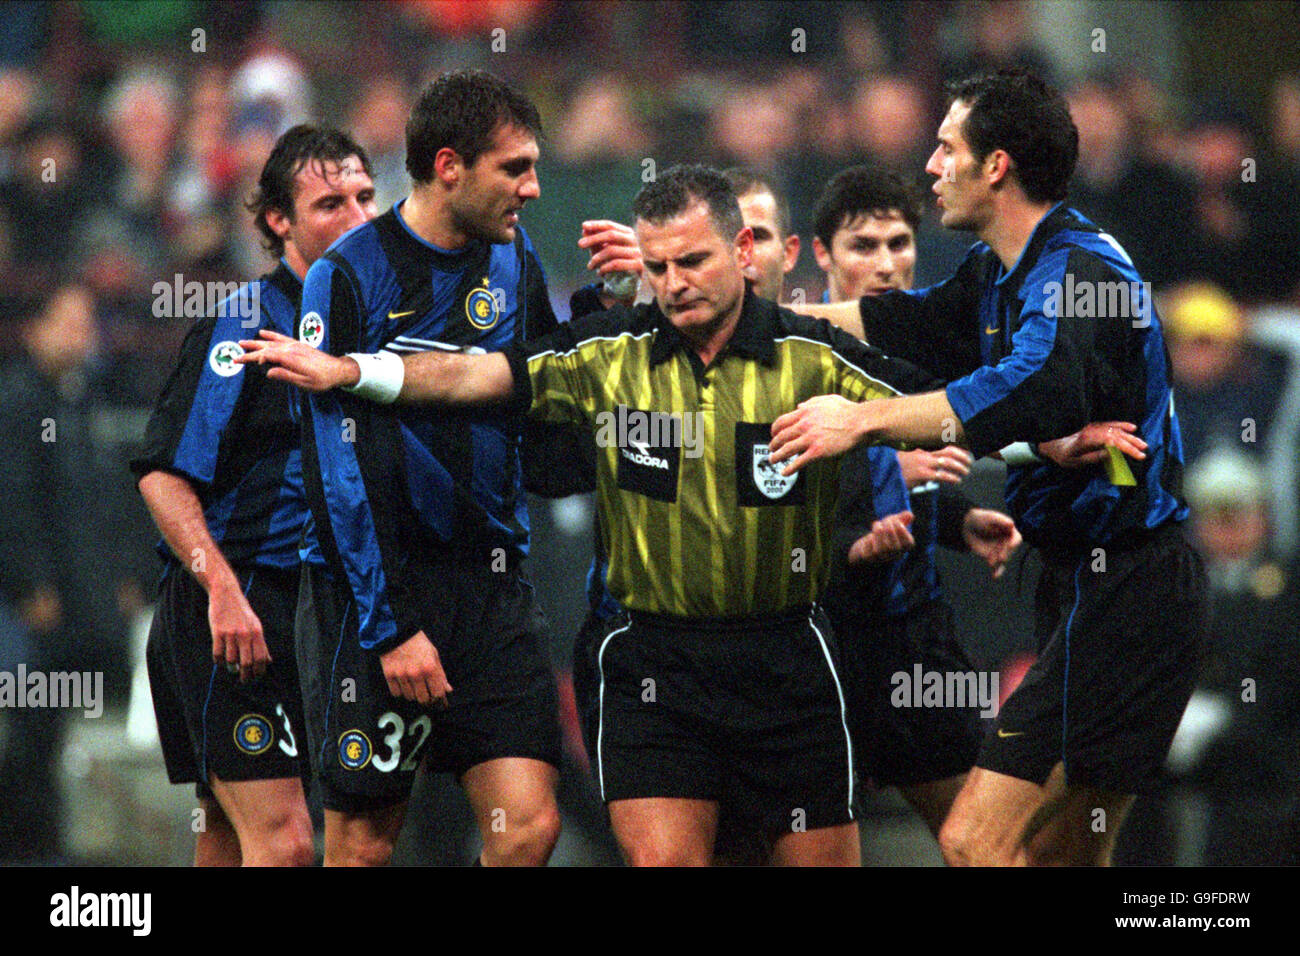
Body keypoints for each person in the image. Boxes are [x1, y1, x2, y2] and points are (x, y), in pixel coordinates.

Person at [238, 163, 943, 866]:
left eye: (693, 261)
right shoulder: (606, 354)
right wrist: (355, 370)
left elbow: (950, 408)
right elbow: (473, 373)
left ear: (744, 253)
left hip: (788, 659)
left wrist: (878, 424)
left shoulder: (814, 357)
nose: (674, 282)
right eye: (658, 266)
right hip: (653, 665)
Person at [770, 69, 1207, 866]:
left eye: (946, 148)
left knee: (976, 840)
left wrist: (859, 419)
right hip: (1090, 583)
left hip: (1133, 594)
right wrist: (763, 317)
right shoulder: (1000, 271)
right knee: (1068, 855)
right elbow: (912, 323)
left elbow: (1034, 385)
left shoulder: (1079, 274)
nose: (930, 167)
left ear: (995, 164)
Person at [284, 70, 637, 867]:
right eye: (515, 168)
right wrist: (391, 625)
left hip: (492, 594)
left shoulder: (515, 265)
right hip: (374, 597)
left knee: (531, 827)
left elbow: (543, 409)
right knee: (364, 845)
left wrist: (604, 317)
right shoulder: (343, 277)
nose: (535, 187)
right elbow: (334, 466)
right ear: (450, 166)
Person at [130, 125, 379, 866]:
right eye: (332, 202)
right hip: (238, 611)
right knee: (287, 841)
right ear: (279, 220)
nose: (359, 218)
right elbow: (163, 472)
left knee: (227, 833)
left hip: (320, 612)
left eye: (367, 196)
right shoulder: (242, 323)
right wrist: (223, 590)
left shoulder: (373, 333)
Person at [810, 162, 1021, 841]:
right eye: (862, 246)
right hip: (816, 639)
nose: (885, 263)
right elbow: (766, 477)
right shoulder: (790, 351)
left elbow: (920, 487)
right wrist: (882, 461)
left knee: (978, 838)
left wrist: (959, 520)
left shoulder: (924, 345)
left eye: (898, 243)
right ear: (821, 255)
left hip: (911, 638)